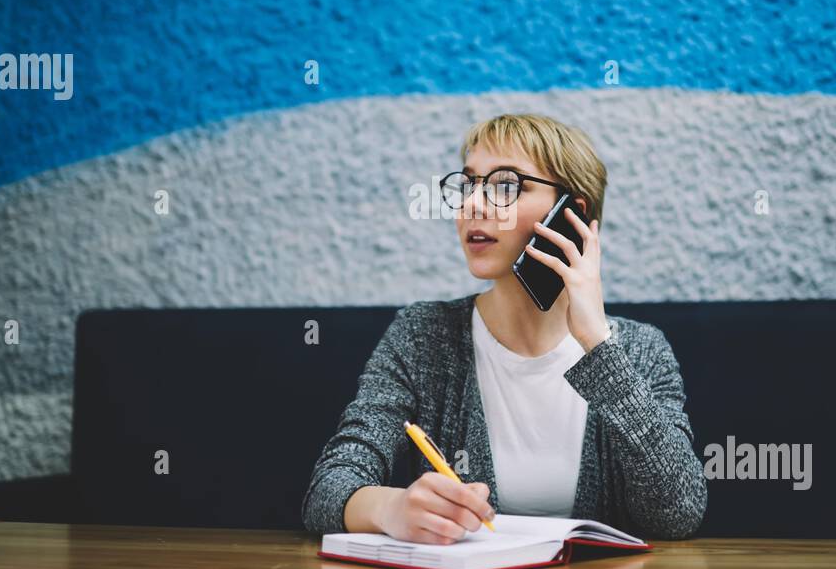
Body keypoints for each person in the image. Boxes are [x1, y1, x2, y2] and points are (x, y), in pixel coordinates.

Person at [301, 113, 707, 542]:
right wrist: (391, 508)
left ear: (570, 214)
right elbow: (329, 488)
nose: (473, 204)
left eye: (506, 186)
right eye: (470, 184)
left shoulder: (641, 350)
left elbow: (677, 513)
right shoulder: (423, 335)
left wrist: (597, 346)